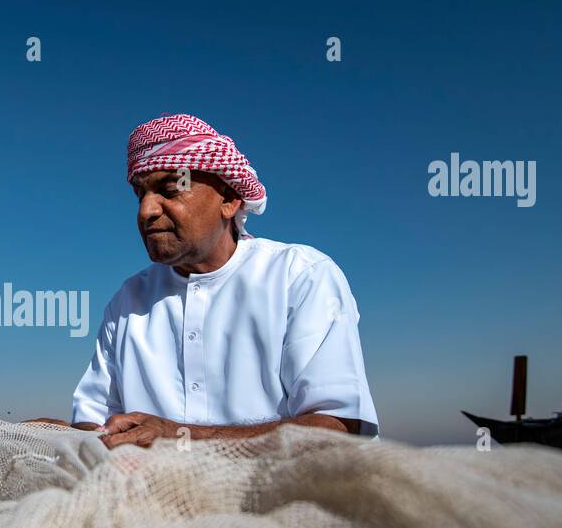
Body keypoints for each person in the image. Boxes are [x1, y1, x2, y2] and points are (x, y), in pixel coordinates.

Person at [70, 113, 379, 449]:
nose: (146, 211)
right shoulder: (127, 301)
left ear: (230, 200)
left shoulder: (300, 277)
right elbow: (94, 421)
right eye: (139, 194)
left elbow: (337, 428)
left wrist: (178, 437)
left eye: (170, 188)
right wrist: (53, 435)